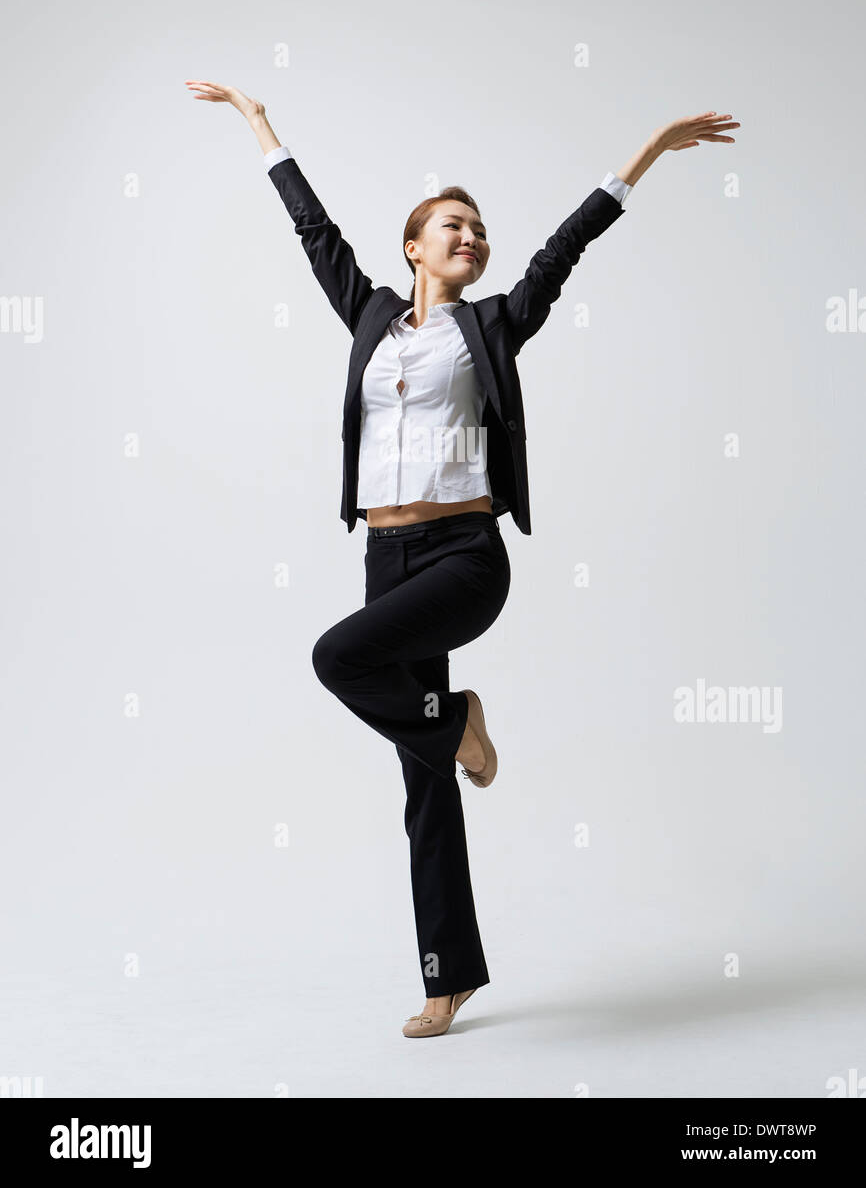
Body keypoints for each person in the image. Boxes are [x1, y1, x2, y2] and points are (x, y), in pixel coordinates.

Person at [184, 80, 740, 1036]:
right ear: (414, 247)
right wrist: (261, 124)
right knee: (423, 778)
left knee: (336, 659)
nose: (471, 237)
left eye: (478, 227)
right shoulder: (368, 318)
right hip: (384, 553)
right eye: (453, 223)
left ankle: (461, 717)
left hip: (464, 554)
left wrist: (645, 151)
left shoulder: (491, 326)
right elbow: (317, 234)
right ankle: (450, 974)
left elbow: (566, 249)